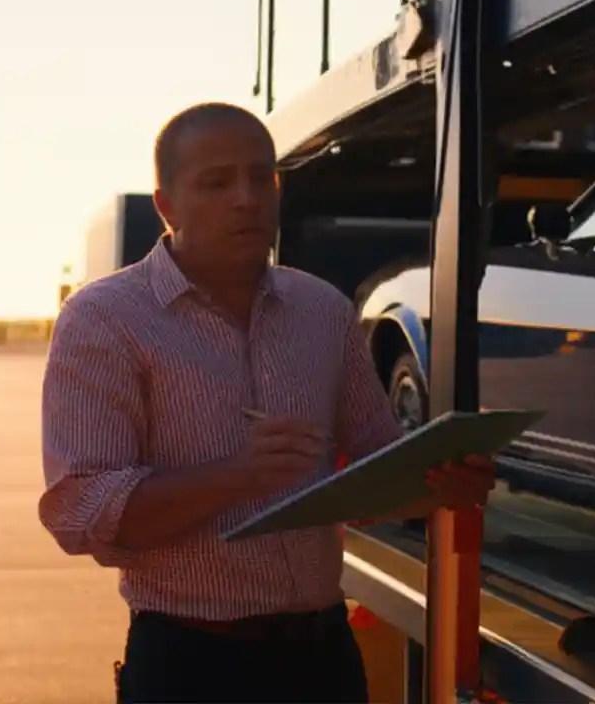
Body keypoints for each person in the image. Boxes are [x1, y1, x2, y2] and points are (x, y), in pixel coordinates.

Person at [38, 101, 496, 703]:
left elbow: (374, 474)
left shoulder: (323, 310)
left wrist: (443, 485)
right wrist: (236, 477)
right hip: (192, 664)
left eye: (262, 177)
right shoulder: (105, 320)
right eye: (217, 182)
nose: (246, 198)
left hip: (323, 660)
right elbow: (81, 512)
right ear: (166, 205)